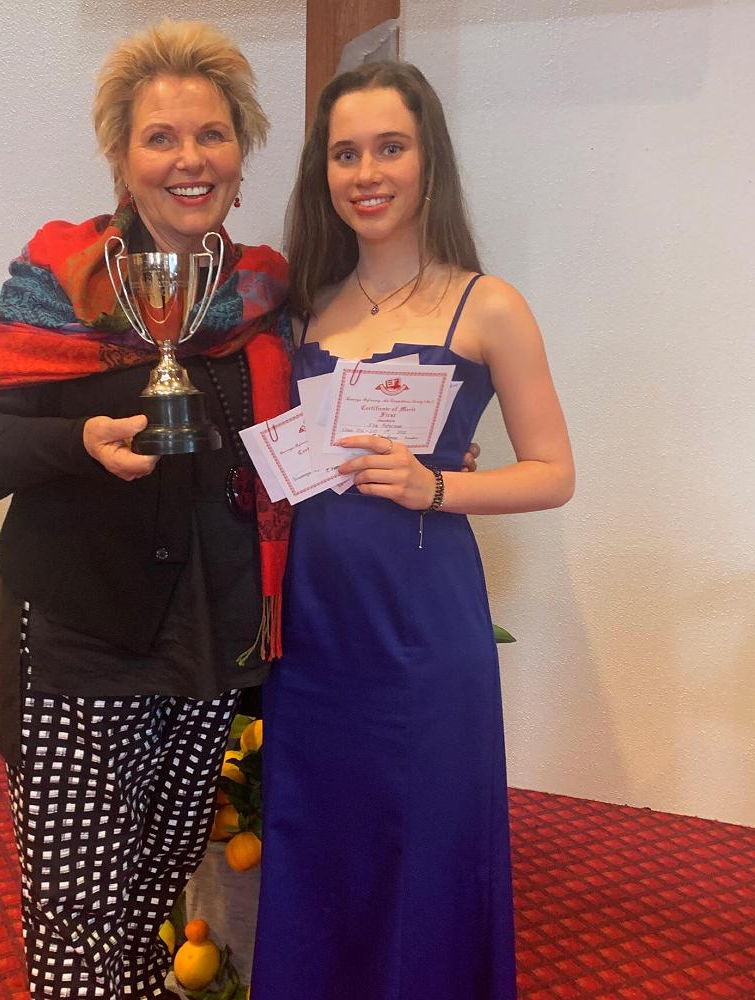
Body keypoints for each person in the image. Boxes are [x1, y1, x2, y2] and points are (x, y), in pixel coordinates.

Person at [0, 21, 294, 1000]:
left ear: (241, 153)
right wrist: (78, 443)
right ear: (122, 159)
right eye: (160, 137)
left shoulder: (263, 291)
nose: (190, 158)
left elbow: (299, 439)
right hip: (82, 638)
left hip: (209, 638)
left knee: (151, 893)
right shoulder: (60, 282)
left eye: (212, 134)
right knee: (76, 915)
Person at [251, 61, 575, 1000]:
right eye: (345, 154)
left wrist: (437, 486)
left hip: (424, 630)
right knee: (320, 844)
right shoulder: (305, 308)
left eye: (389, 148)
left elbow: (554, 473)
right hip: (314, 633)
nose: (367, 173)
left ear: (429, 158)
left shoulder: (489, 305)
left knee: (426, 845)